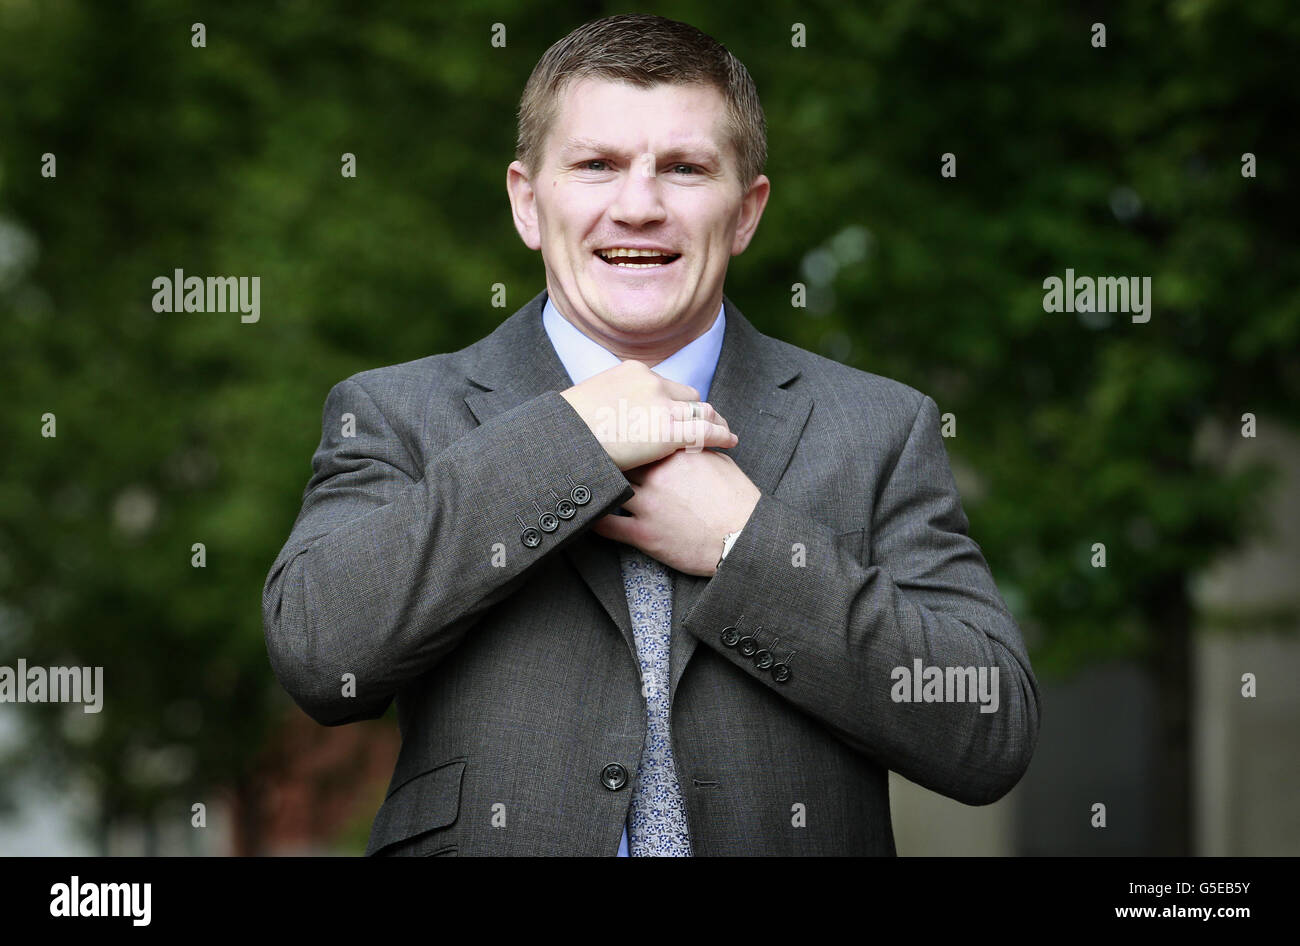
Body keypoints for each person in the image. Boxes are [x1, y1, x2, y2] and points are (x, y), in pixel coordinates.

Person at [262, 13, 1040, 856]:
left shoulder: (879, 427)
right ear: (528, 202)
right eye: (596, 166)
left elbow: (987, 729)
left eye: (684, 168)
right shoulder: (394, 412)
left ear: (747, 212)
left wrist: (746, 545)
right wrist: (568, 441)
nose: (639, 207)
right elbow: (317, 651)